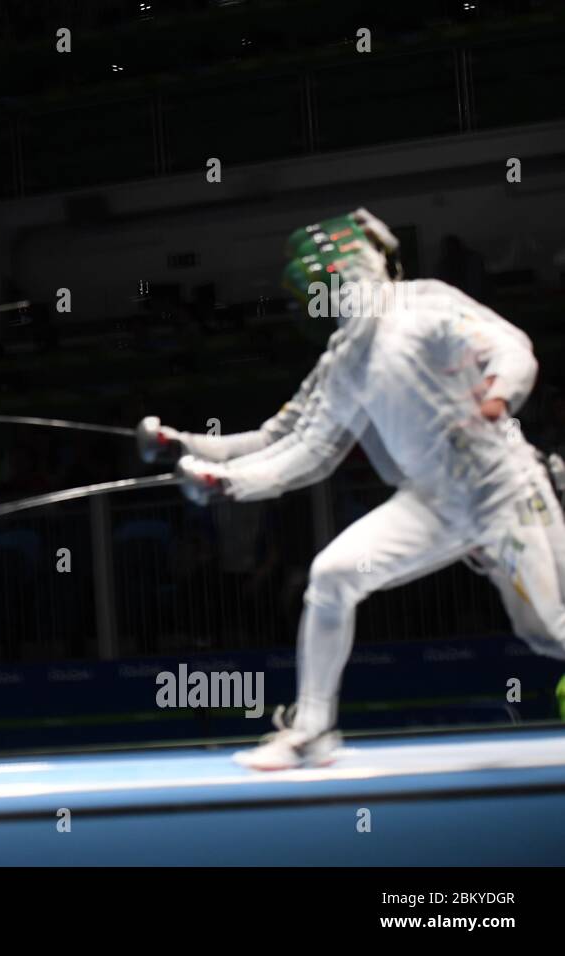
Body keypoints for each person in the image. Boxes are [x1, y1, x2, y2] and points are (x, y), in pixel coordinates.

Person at [146, 208, 565, 769]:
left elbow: (510, 347)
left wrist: (495, 398)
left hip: (504, 491)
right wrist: (204, 463)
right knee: (334, 575)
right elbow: (298, 447)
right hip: (432, 504)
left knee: (546, 630)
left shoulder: (424, 303)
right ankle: (313, 730)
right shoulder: (345, 360)